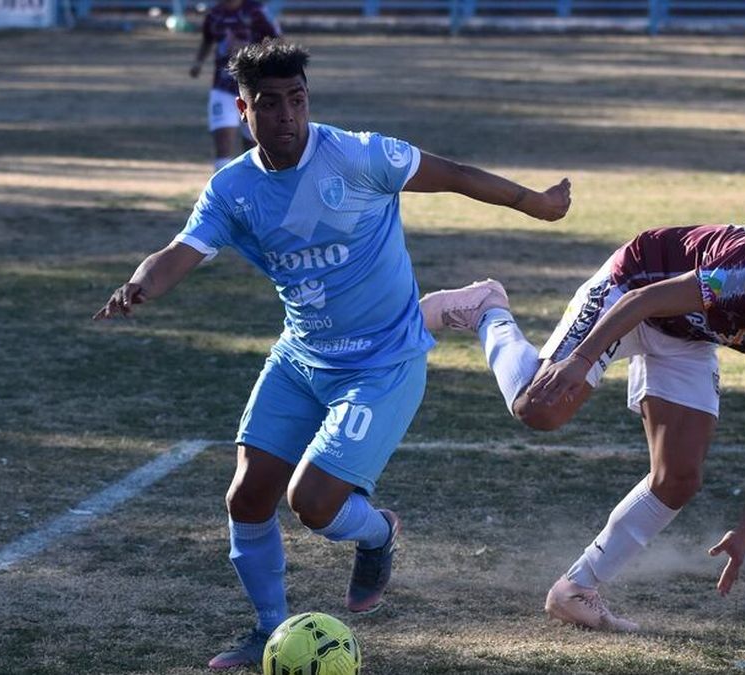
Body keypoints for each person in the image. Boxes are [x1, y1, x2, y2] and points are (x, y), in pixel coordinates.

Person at [94, 39, 571, 669]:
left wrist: (535, 203)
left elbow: (455, 174)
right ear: (244, 110)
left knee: (314, 504)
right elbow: (180, 251)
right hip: (301, 359)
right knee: (246, 499)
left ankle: (379, 532)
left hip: (383, 364)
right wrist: (139, 285)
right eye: (270, 103)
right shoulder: (233, 189)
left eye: (297, 99)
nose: (287, 115)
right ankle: (268, 629)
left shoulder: (358, 155)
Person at [420, 225, 745, 631]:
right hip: (633, 290)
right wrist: (580, 361)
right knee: (539, 409)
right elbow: (644, 300)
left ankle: (576, 590)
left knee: (679, 478)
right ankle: (488, 310)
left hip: (690, 333)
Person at [188, 0, 280, 172]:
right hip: (222, 87)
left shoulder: (256, 11)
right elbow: (207, 40)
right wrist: (198, 62)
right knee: (223, 143)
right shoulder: (214, 14)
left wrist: (249, 49)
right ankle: (222, 188)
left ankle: (253, 184)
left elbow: (278, 42)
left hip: (253, 89)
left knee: (254, 148)